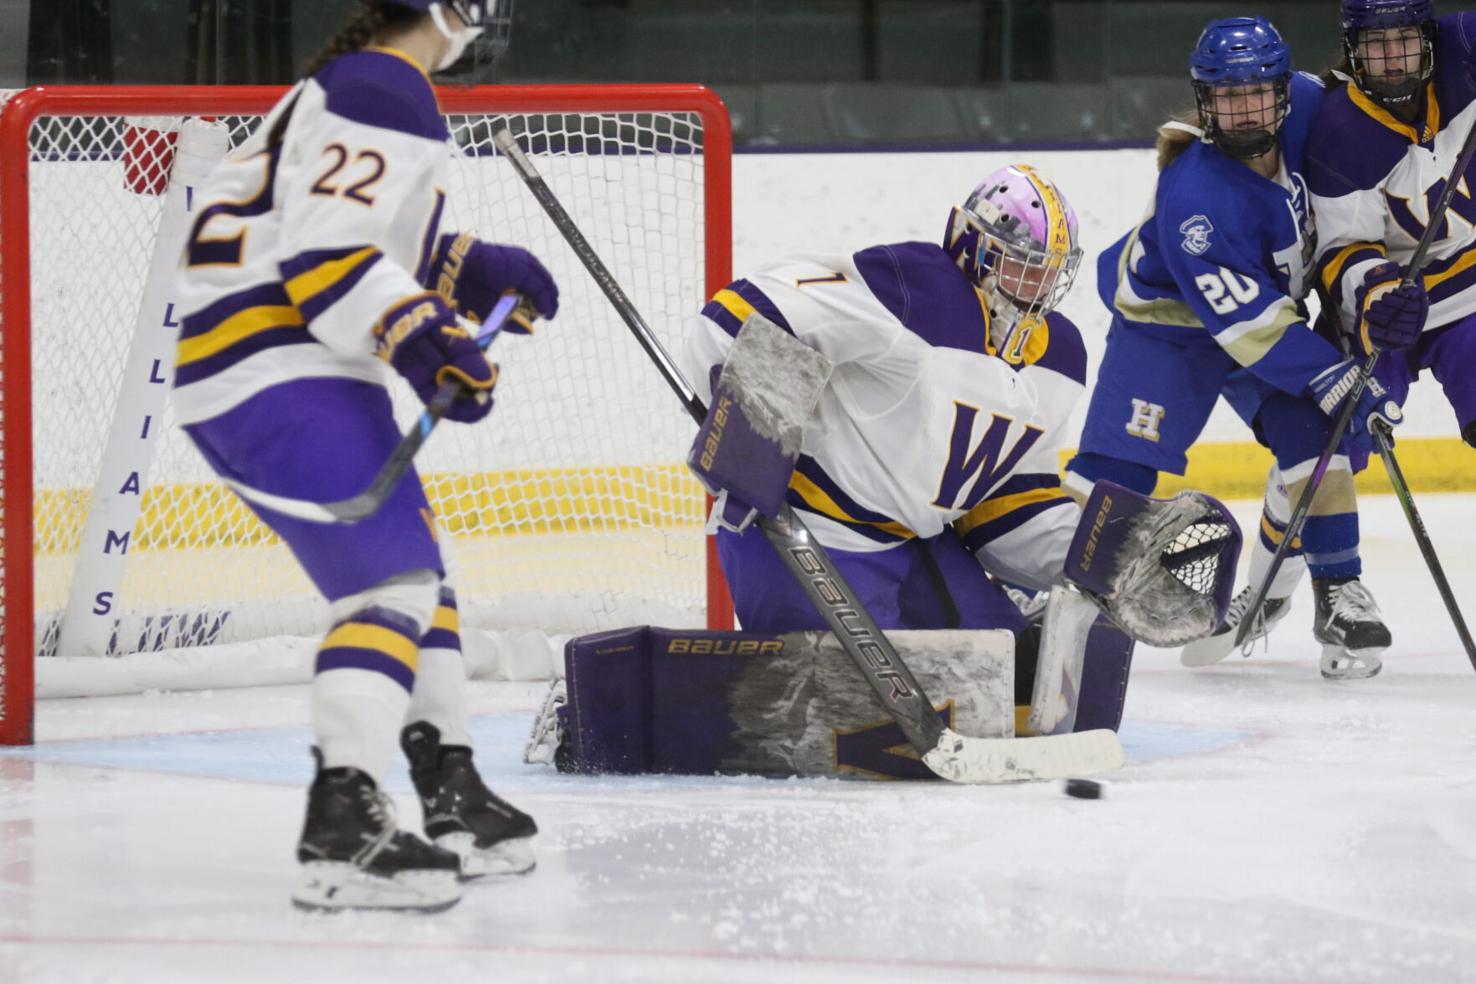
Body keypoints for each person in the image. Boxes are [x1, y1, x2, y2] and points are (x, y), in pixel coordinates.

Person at [173, 0, 557, 912]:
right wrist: (428, 343)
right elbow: (328, 252)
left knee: (423, 577)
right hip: (279, 368)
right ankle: (342, 827)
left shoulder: (348, 84)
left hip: (269, 366)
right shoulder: (385, 84)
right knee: (390, 590)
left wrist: (464, 266)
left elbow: (327, 229)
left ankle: (451, 790)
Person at [1062, 17, 1409, 681]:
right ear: (1205, 100)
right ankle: (1055, 594)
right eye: (1227, 97)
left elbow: (1375, 120)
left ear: (1281, 92)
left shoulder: (1309, 106)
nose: (1244, 109)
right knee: (1117, 475)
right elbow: (1248, 328)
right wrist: (1330, 373)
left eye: (1256, 93)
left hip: (1263, 314)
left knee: (1318, 435)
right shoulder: (1196, 201)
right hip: (1168, 329)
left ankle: (1338, 592)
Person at [686, 163, 1088, 645]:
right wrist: (753, 427)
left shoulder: (1059, 359)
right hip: (806, 531)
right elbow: (741, 312)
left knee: (1009, 668)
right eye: (1024, 265)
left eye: (1050, 272)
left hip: (914, 545)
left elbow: (1010, 509)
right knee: (846, 691)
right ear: (975, 247)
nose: (1038, 287)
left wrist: (1098, 563)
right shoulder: (916, 292)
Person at [1307, 2, 1475, 462]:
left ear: (1428, 41)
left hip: (1469, 293)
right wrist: (1378, 293)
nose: (1392, 55)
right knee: (1328, 447)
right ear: (1353, 50)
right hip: (1384, 312)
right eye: (1376, 42)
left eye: (1404, 39)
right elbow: (1345, 247)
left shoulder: (1462, 54)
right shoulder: (1339, 131)